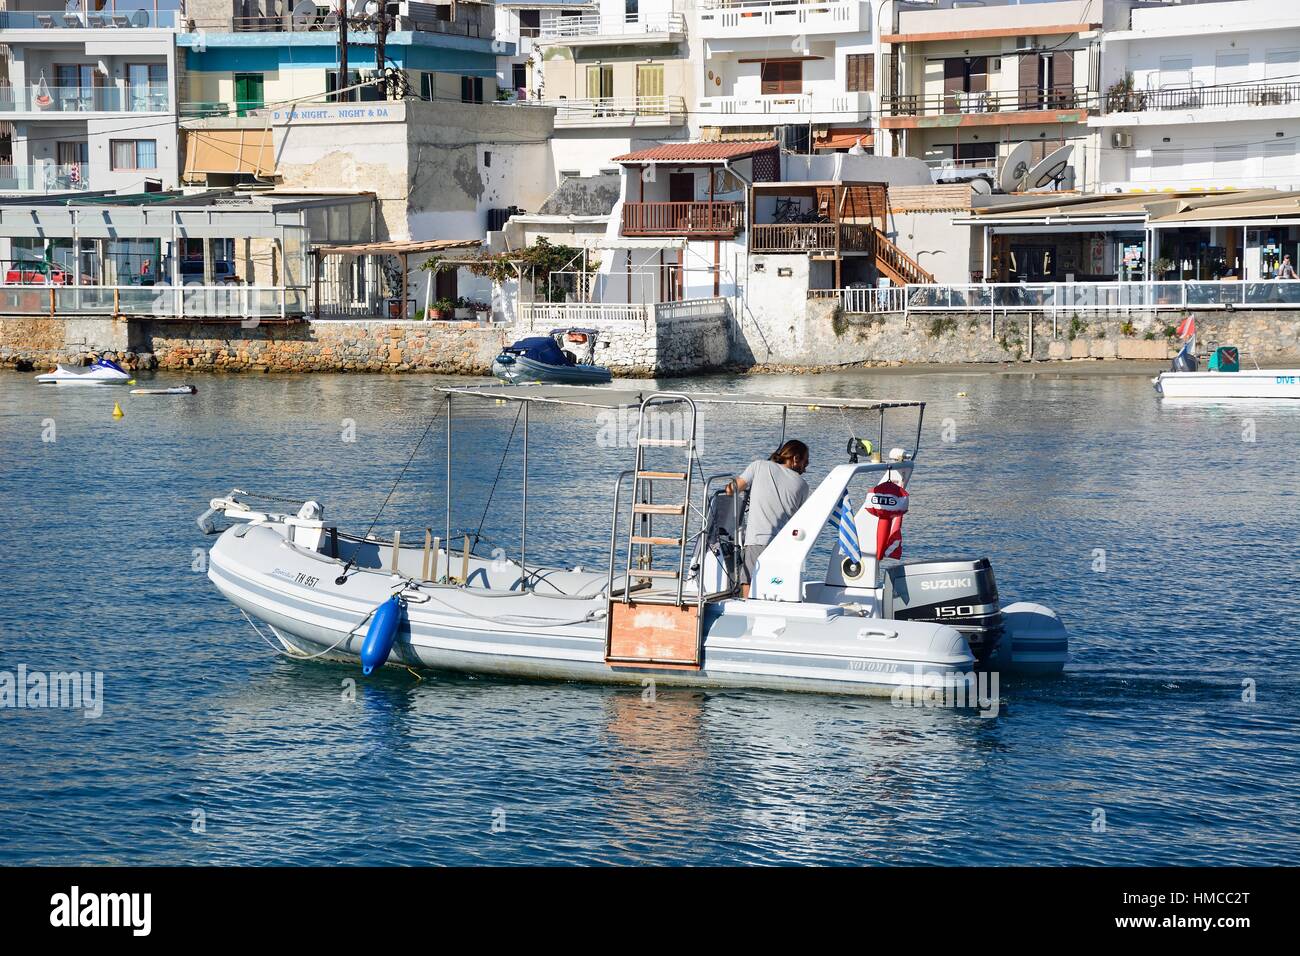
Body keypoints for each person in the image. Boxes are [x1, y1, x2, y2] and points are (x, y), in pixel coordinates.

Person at [730, 439, 811, 590]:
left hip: (758, 539)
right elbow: (799, 520)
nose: (804, 469)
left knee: (748, 582)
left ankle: (748, 611)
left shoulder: (759, 466)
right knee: (776, 585)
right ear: (795, 458)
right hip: (783, 544)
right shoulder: (803, 486)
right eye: (805, 464)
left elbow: (731, 489)